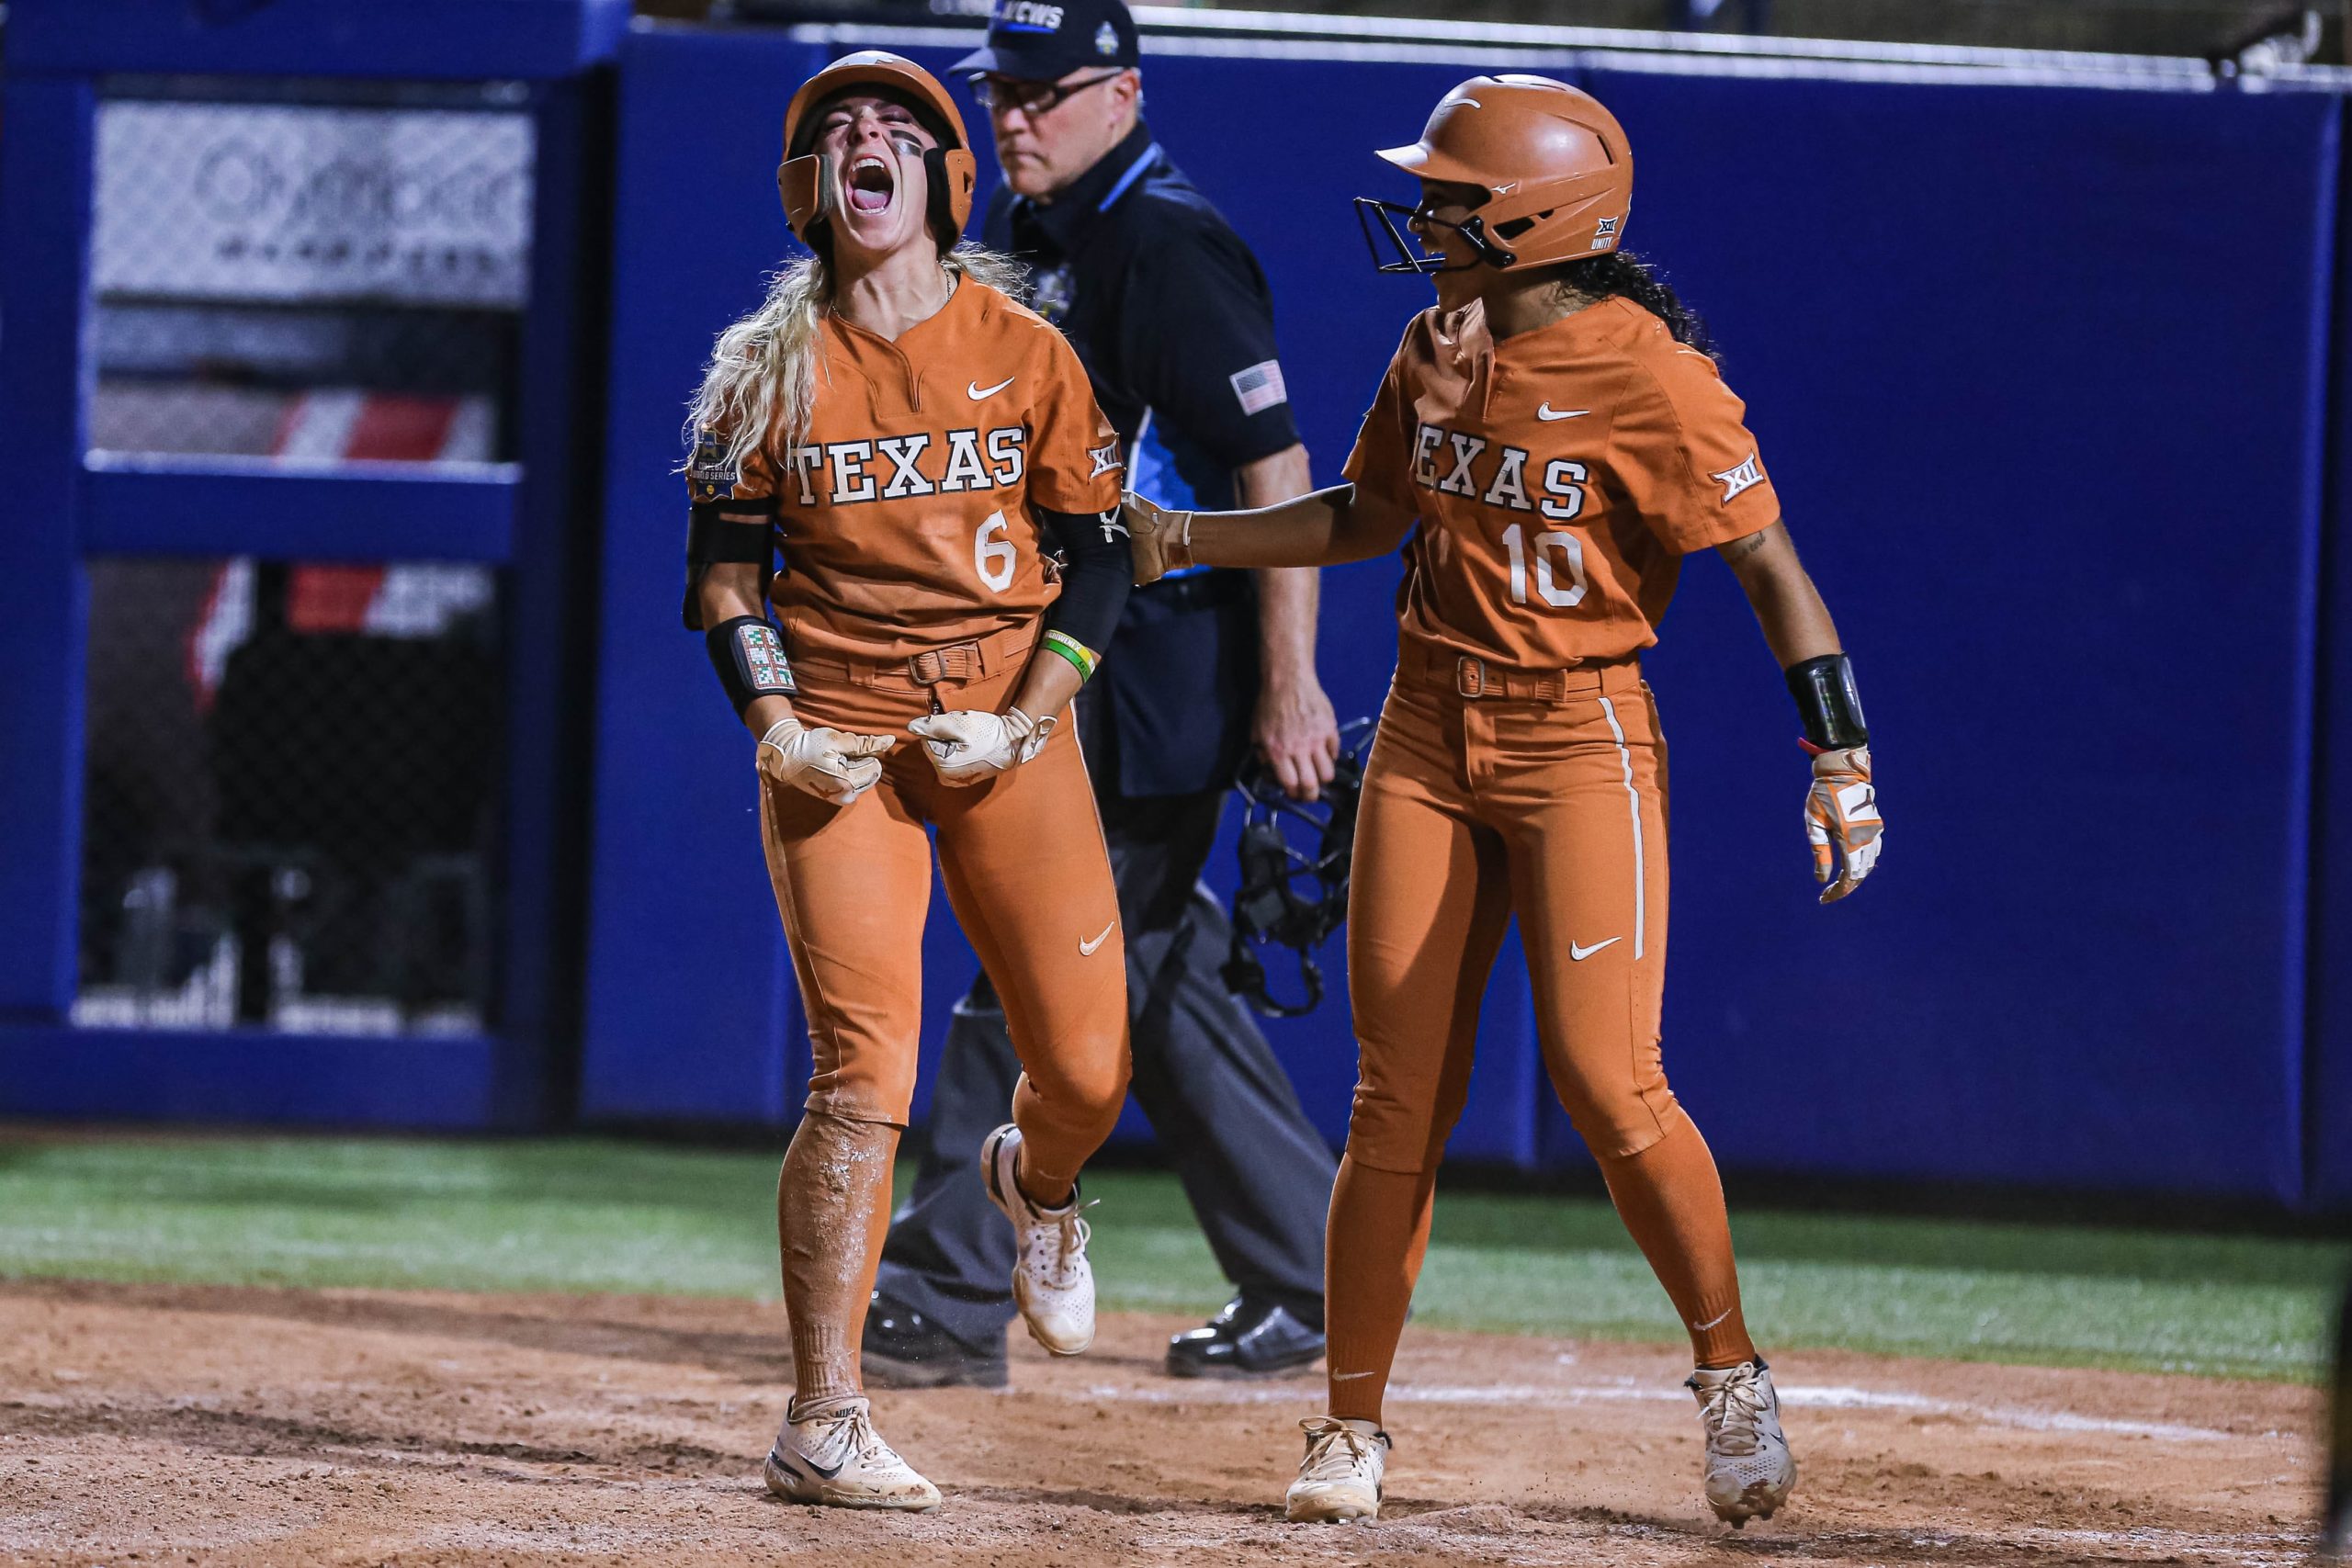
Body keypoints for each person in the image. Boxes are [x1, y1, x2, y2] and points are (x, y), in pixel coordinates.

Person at [1124, 74, 1884, 1527]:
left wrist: (1838, 756)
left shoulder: (1652, 376)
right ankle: (1348, 1427)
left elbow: (1771, 574)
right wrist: (1186, 539)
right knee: (1394, 1098)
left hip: (1577, 737)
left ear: (1533, 220)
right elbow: (1365, 516)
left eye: (1450, 198)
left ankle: (1730, 1376)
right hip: (1422, 732)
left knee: (1611, 1083)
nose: (1422, 218)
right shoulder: (1438, 343)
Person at [863, 0, 1341, 1389]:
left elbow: (1278, 478)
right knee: (1154, 970)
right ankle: (1313, 1271)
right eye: (999, 89)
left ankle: (941, 1295)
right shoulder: (1040, 223)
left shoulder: (1168, 244)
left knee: (1032, 970)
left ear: (1122, 93)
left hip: (1170, 674)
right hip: (1092, 653)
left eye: (1044, 90)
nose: (1013, 114)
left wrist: (1291, 689)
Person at [682, 51, 1137, 1510]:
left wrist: (1024, 719)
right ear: (808, 188)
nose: (864, 143)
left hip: (1003, 725)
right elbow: (724, 579)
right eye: (837, 133)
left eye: (896, 127)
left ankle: (1039, 1188)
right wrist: (773, 723)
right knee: (860, 1073)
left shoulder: (1028, 347)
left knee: (1085, 1070)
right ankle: (822, 1416)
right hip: (842, 742)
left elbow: (1105, 561)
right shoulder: (765, 367)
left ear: (945, 181)